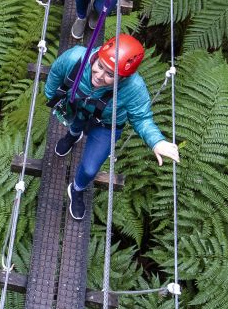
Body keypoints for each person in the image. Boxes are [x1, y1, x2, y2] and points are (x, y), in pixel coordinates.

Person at [44, 34, 180, 220]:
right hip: (77, 105)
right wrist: (52, 96)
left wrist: (156, 141)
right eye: (100, 66)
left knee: (90, 169)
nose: (99, 76)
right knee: (75, 124)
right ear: (97, 56)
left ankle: (76, 189)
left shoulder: (134, 88)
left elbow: (141, 118)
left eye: (110, 75)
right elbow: (56, 73)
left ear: (123, 77)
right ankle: (73, 136)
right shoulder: (75, 58)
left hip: (106, 124)